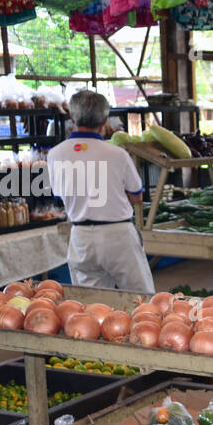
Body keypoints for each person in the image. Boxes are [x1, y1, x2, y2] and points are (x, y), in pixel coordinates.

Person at [47, 89, 155, 293]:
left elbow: (60, 195)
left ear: (72, 117)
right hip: (118, 236)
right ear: (105, 119)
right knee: (142, 299)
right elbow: (137, 196)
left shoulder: (55, 154)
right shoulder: (118, 154)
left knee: (93, 305)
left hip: (81, 237)